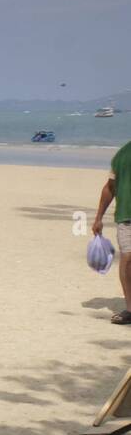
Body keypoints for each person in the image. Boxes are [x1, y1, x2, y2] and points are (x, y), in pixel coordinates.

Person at [94, 138, 131, 324]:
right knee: (127, 260)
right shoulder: (122, 155)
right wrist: (99, 217)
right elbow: (110, 187)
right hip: (126, 216)